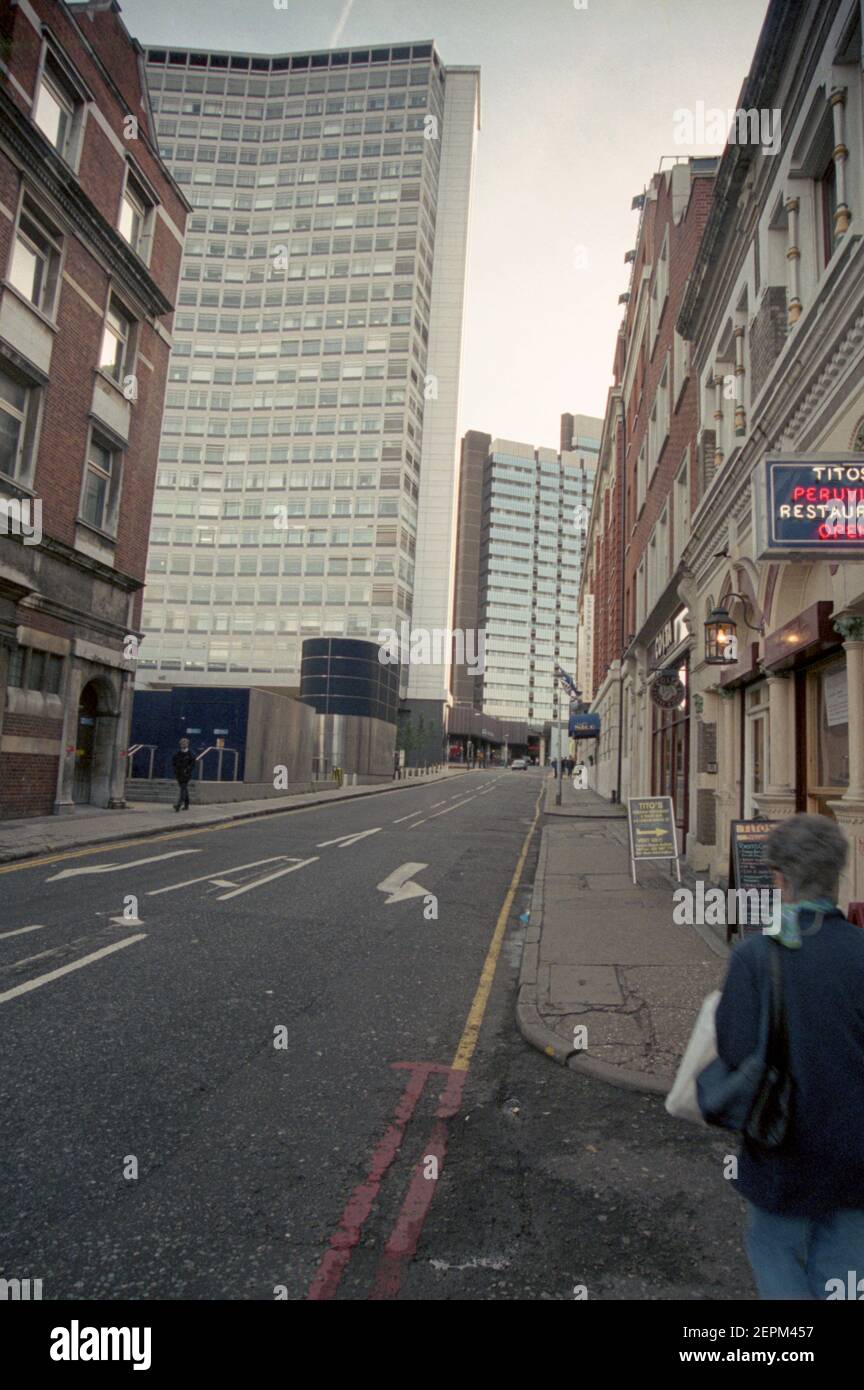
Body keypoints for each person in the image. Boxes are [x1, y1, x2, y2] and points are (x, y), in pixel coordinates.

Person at [714, 814, 864, 1299]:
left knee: (776, 1253)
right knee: (843, 1272)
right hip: (857, 1158)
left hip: (783, 1151)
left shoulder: (756, 956)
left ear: (779, 878)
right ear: (837, 874)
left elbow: (735, 1053)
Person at [171, 737, 197, 811]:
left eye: (185, 743)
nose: (183, 744)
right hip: (179, 774)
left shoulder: (191, 754)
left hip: (186, 775)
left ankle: (178, 804)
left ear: (188, 744)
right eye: (182, 743)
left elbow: (192, 764)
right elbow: (173, 763)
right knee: (184, 788)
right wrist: (175, 771)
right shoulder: (177, 754)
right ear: (180, 744)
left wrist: (187, 770)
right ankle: (186, 805)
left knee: (183, 788)